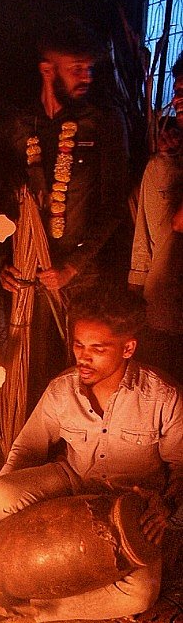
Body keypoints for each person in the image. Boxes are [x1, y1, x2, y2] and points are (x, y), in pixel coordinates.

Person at [0, 289, 182, 622]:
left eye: (98, 349)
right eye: (79, 345)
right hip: (74, 482)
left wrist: (166, 507)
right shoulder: (63, 388)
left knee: (140, 594)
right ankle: (12, 570)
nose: (84, 358)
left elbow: (180, 467)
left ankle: (40, 609)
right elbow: (27, 447)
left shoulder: (162, 396)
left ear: (128, 348)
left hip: (128, 506)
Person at [0, 20, 130, 396]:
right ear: (47, 70)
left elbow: (113, 208)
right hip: (28, 277)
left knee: (76, 380)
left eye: (89, 68)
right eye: (76, 68)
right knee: (24, 375)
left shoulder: (103, 123)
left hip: (83, 281)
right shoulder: (20, 126)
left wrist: (74, 266)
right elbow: (4, 205)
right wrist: (2, 266)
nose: (85, 76)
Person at [128, 53, 183, 384]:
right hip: (161, 307)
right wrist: (134, 297)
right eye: (178, 89)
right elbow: (144, 238)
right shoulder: (162, 165)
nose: (179, 99)